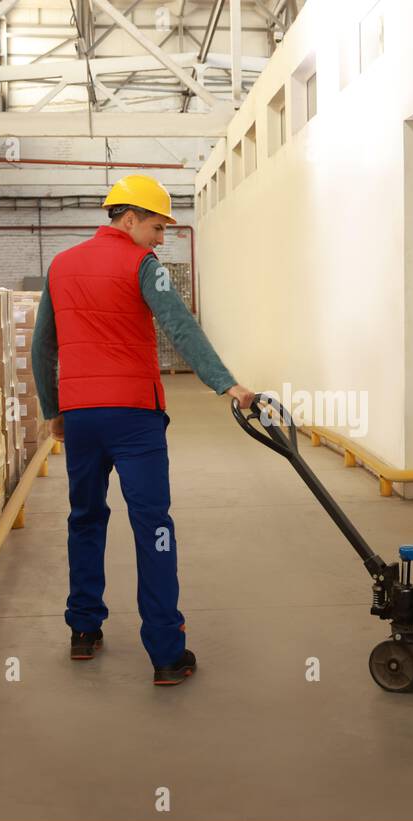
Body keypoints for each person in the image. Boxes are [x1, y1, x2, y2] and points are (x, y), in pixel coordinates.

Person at [31, 174, 254, 686]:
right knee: (152, 525)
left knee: (84, 518)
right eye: (156, 226)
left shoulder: (61, 265)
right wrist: (227, 385)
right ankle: (166, 655)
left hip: (83, 415)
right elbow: (181, 326)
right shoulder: (142, 265)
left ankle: (83, 630)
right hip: (134, 416)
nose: (160, 238)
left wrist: (54, 409)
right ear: (128, 219)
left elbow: (43, 346)